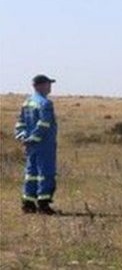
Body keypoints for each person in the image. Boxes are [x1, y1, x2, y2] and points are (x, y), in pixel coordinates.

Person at [14, 74, 59, 215]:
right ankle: (43, 204)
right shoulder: (45, 103)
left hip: (30, 145)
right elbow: (43, 124)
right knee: (45, 173)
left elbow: (20, 124)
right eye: (48, 83)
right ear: (40, 85)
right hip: (43, 144)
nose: (50, 86)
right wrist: (33, 138)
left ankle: (28, 204)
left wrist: (23, 137)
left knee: (31, 173)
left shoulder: (26, 103)